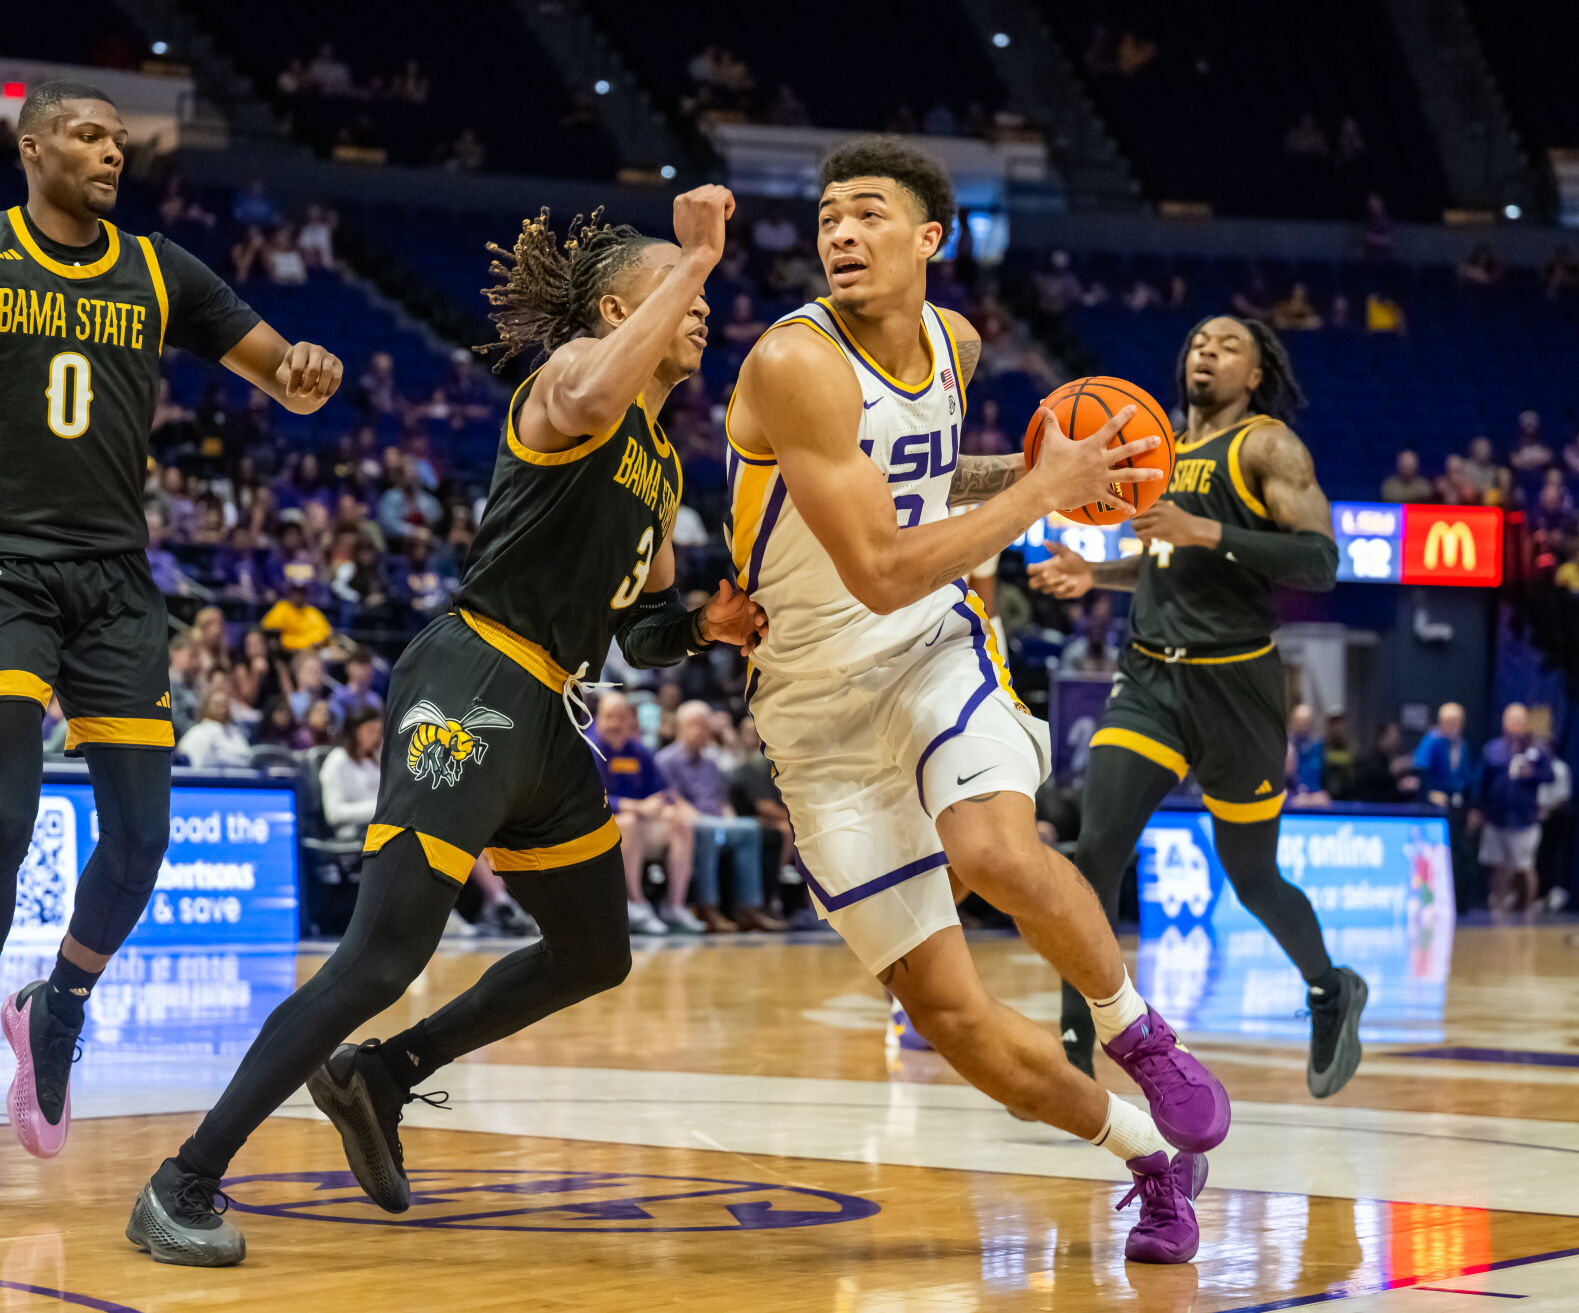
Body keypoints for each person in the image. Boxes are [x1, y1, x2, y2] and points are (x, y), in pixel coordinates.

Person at [130, 186, 767, 1265]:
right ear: (616, 312)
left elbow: (636, 631)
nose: (699, 308)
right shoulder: (568, 378)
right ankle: (182, 1177)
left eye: (699, 289)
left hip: (552, 713)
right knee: (379, 955)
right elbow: (598, 391)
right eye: (671, 291)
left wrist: (702, 621)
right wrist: (698, 258)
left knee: (593, 949)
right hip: (473, 680)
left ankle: (384, 1072)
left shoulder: (660, 465)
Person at [726, 136, 1221, 1264]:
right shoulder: (793, 362)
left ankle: (1135, 1030)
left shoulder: (954, 339)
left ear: (930, 240)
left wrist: (1051, 467)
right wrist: (1043, 489)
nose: (839, 235)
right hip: (810, 698)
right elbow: (876, 560)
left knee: (993, 849)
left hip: (932, 646)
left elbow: (926, 483)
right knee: (948, 1017)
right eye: (826, 219)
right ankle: (1148, 1155)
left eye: (865, 215)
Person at [0, 80, 341, 1163]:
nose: (113, 153)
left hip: (112, 580)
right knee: (5, 817)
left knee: (143, 835)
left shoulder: (158, 271)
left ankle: (58, 1003)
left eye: (119, 140)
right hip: (7, 567)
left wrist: (303, 372)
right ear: (34, 145)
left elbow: (277, 370)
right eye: (90, 136)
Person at [1031, 314, 1367, 1101]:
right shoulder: (1158, 447)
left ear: (1253, 375)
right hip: (1150, 678)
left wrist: (1205, 528)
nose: (1205, 351)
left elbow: (1320, 560)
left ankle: (1328, 988)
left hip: (1236, 684)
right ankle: (1074, 1049)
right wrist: (1095, 573)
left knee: (1250, 876)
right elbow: (1163, 560)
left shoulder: (1265, 445)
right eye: (1197, 342)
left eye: (1228, 345)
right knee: (1096, 849)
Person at [657, 701, 784, 933]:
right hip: (689, 823)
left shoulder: (710, 764)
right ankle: (707, 907)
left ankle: (749, 907)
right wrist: (707, 821)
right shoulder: (665, 760)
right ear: (680, 727)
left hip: (715, 821)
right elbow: (673, 800)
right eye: (694, 725)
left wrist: (729, 819)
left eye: (704, 726)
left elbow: (723, 802)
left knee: (749, 828)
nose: (700, 731)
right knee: (707, 831)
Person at [589, 690, 699, 935]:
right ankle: (635, 903)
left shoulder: (638, 752)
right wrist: (637, 807)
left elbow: (661, 791)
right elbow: (593, 797)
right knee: (630, 822)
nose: (616, 723)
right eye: (609, 717)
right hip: (598, 827)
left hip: (639, 826)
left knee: (678, 822)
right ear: (598, 718)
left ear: (630, 719)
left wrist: (666, 806)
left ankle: (675, 906)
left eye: (621, 717)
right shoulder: (590, 748)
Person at [1472, 703, 1555, 913]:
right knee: (1497, 865)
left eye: (1521, 720)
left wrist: (1532, 774)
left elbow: (1550, 776)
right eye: (1513, 720)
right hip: (1497, 817)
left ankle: (1527, 909)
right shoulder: (1493, 748)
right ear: (1504, 722)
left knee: (1524, 866)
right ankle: (1498, 907)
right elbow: (1481, 781)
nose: (1517, 725)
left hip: (1524, 818)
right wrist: (1478, 809)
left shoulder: (1537, 749)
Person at [318, 705, 382, 839]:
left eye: (378, 732)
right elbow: (334, 814)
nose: (375, 737)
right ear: (355, 730)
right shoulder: (337, 760)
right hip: (352, 834)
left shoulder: (375, 760)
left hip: (378, 829)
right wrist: (375, 809)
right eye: (370, 731)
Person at [175, 685, 253, 768]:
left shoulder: (235, 733)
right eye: (217, 705)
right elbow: (192, 768)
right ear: (207, 707)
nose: (222, 709)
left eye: (225, 705)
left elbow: (247, 758)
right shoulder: (199, 733)